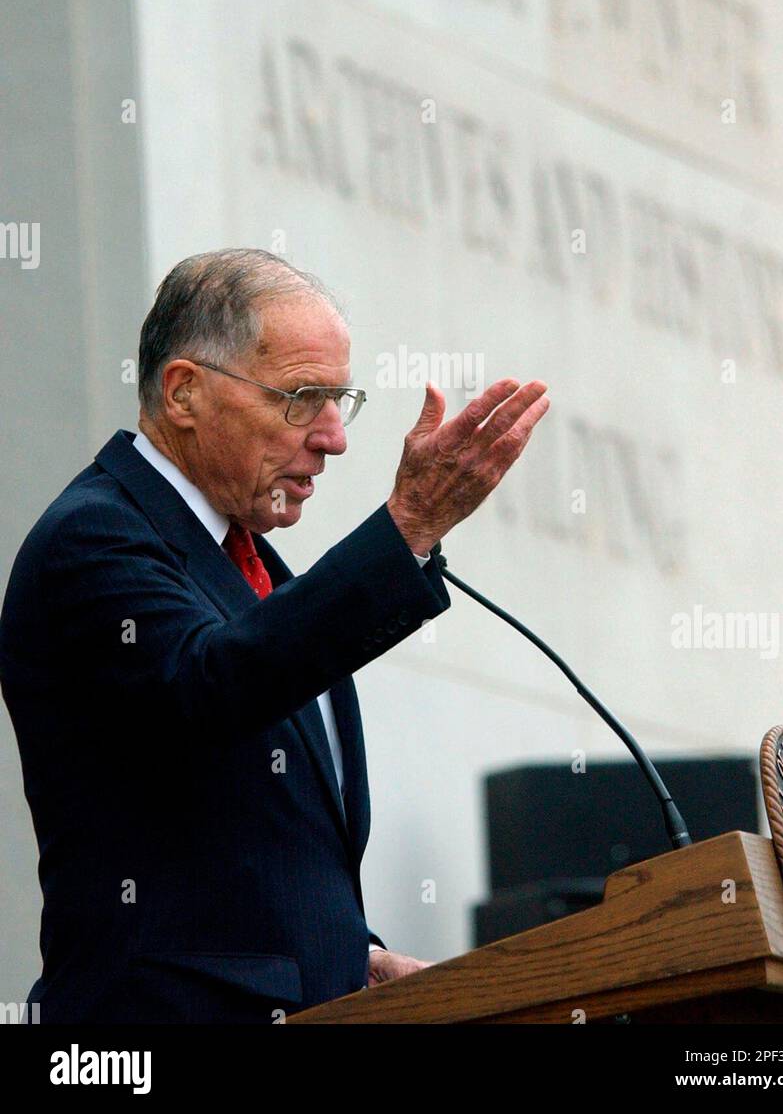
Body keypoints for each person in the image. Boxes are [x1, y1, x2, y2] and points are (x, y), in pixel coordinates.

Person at [0, 248, 549, 1023]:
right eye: (302, 398)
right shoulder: (93, 538)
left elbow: (246, 835)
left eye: (338, 400)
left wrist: (347, 953)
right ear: (184, 391)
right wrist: (408, 529)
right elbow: (212, 685)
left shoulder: (262, 572)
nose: (333, 438)